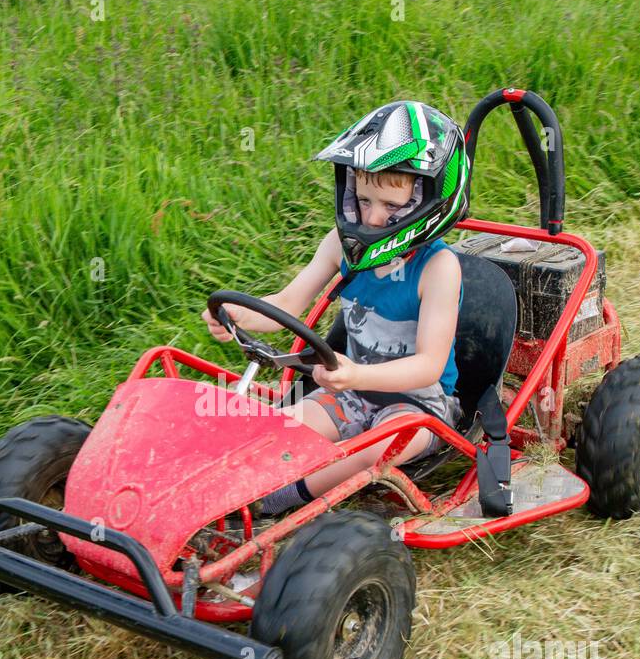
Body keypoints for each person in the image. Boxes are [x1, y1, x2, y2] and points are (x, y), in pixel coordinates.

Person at [202, 100, 471, 515]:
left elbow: (429, 366)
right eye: (363, 200)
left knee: (368, 451)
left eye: (393, 207)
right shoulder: (343, 245)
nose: (374, 217)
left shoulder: (439, 267)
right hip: (352, 394)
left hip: (419, 407)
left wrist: (356, 372)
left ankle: (271, 506)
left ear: (427, 204)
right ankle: (212, 492)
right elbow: (289, 303)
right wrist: (237, 316)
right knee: (277, 430)